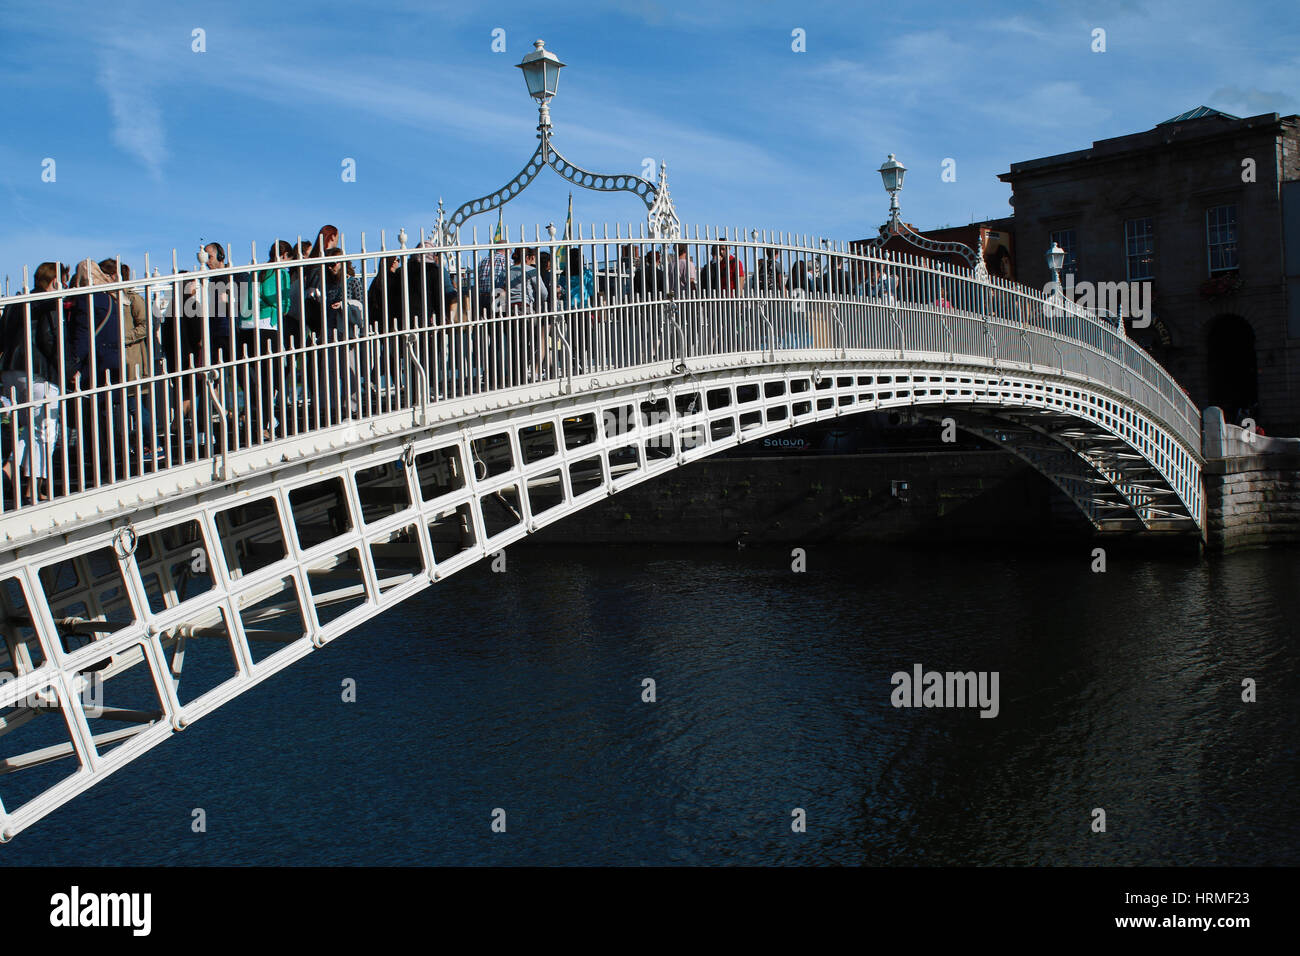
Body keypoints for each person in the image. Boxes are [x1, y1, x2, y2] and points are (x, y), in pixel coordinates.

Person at [0, 262, 62, 501]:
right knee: (46, 431)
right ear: (54, 281)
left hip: (11, 371)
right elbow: (49, 338)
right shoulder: (47, 302)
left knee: (30, 431)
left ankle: (8, 471)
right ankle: (33, 488)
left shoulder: (16, 302)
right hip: (35, 371)